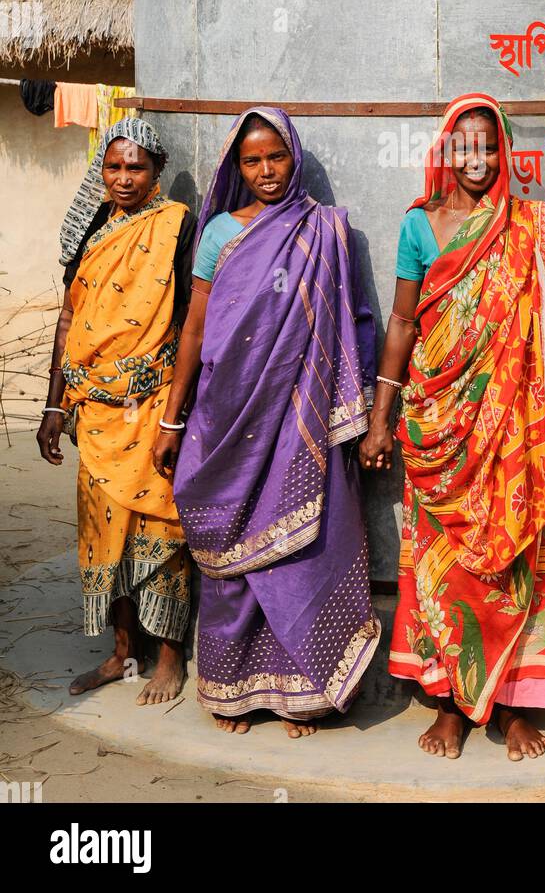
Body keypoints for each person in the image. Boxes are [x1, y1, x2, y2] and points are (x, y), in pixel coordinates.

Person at [360, 94, 545, 761]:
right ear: (445, 152)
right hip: (438, 423)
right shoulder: (419, 226)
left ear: (504, 152)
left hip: (513, 425)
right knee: (440, 563)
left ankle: (511, 708)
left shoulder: (534, 227)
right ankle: (448, 703)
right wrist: (381, 415)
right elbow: (401, 322)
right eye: (464, 145)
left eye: (488, 145)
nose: (476, 158)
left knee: (516, 558)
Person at [158, 108, 380, 736]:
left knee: (299, 549)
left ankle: (301, 693)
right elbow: (197, 327)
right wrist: (174, 418)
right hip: (227, 413)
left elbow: (357, 319)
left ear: (296, 157)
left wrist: (355, 407)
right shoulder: (219, 233)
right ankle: (234, 688)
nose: (266, 171)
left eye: (276, 157)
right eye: (252, 161)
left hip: (299, 415)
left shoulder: (325, 233)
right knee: (231, 551)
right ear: (236, 167)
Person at [37, 118, 194, 704]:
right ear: (101, 170)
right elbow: (69, 317)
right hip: (93, 411)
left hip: (149, 403)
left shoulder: (176, 227)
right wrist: (54, 404)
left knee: (159, 527)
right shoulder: (90, 230)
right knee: (104, 532)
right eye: (114, 167)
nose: (124, 179)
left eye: (137, 168)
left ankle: (171, 659)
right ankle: (123, 652)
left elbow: (186, 326)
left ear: (156, 173)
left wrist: (179, 414)